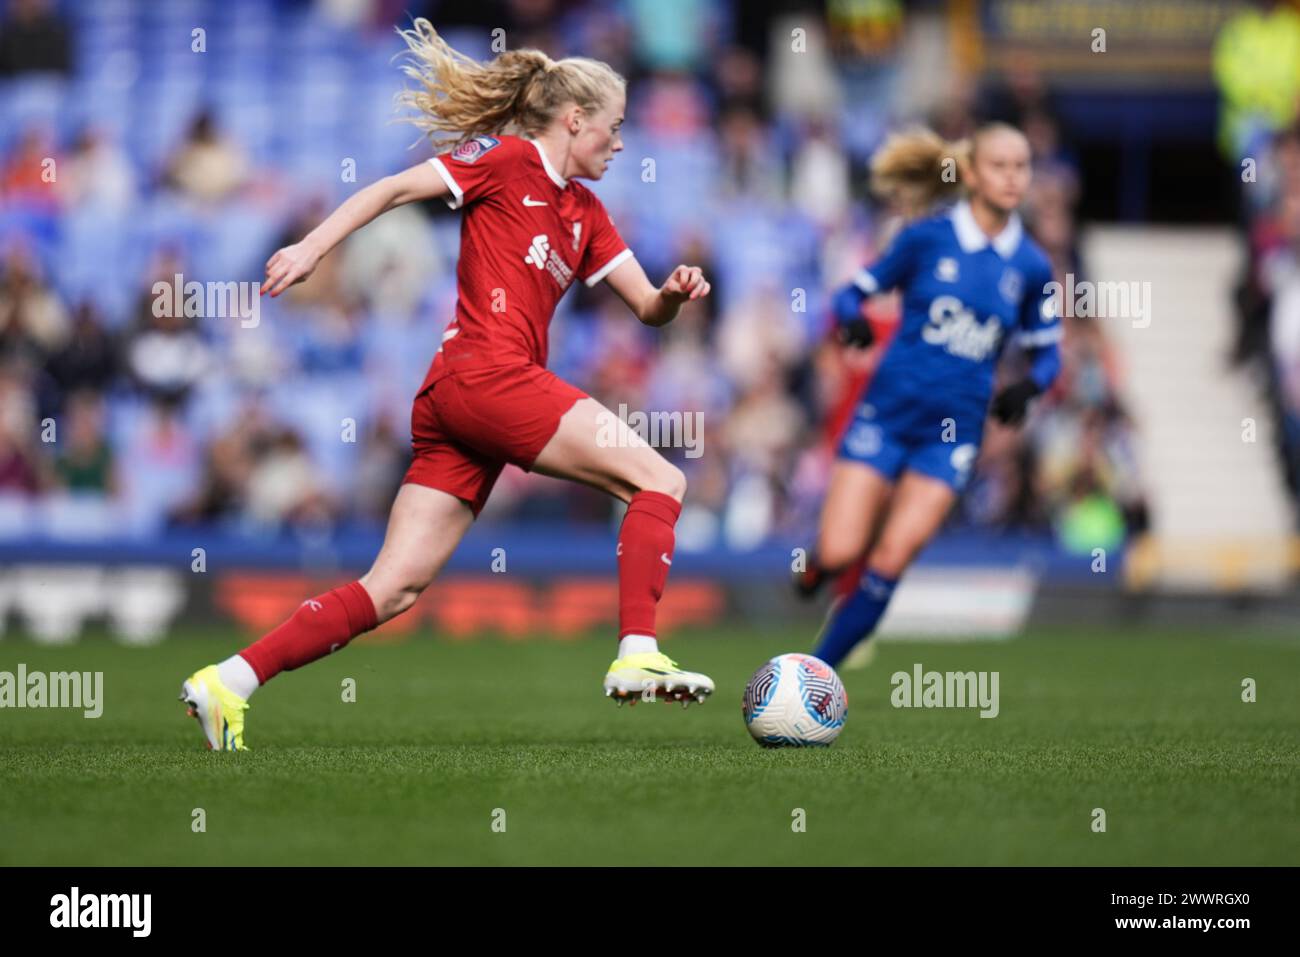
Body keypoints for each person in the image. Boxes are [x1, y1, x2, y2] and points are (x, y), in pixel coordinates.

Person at [180, 21, 715, 750]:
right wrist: (310, 247)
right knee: (659, 480)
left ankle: (228, 681)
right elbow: (396, 187)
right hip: (485, 376)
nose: (621, 144)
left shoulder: (587, 214)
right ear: (575, 119)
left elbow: (648, 308)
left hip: (460, 400)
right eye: (614, 128)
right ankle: (635, 654)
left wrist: (675, 292)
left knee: (393, 586)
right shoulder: (503, 159)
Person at [795, 123, 1062, 667]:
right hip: (886, 416)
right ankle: (817, 567)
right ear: (969, 172)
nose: (1013, 178)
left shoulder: (1031, 267)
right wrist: (854, 322)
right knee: (843, 548)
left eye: (1022, 166)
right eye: (1000, 166)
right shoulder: (926, 238)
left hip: (952, 436)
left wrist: (1029, 386)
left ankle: (818, 669)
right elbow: (851, 293)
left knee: (894, 555)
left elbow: (1048, 353)